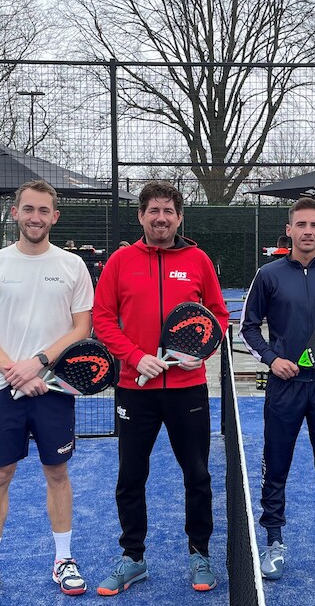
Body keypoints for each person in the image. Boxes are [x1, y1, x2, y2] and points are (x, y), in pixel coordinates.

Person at [92, 180, 230, 596]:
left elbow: (219, 316)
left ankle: (199, 553)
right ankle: (133, 557)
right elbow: (103, 318)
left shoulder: (199, 260)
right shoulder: (120, 261)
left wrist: (201, 352)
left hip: (188, 389)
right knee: (131, 476)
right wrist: (136, 358)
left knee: (198, 475)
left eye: (169, 211)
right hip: (135, 389)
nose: (161, 218)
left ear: (179, 216)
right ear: (141, 216)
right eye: (153, 210)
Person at [0, 179, 95, 604]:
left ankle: (63, 559)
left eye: (44, 211)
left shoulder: (73, 266)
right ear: (15, 213)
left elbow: (81, 327)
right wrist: (14, 371)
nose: (36, 217)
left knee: (57, 473)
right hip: (6, 390)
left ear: (55, 217)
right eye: (28, 209)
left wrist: (37, 364)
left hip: (55, 388)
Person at [240, 197, 315, 581]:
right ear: (289, 230)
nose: (308, 231)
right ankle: (274, 542)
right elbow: (247, 327)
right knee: (276, 466)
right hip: (284, 388)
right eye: (301, 225)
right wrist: (272, 359)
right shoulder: (269, 274)